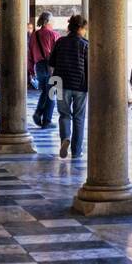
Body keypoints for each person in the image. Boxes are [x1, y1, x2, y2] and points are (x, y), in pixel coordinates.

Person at [49, 15, 88, 159]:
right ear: (80, 28)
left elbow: (51, 62)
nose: (85, 32)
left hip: (60, 83)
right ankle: (76, 151)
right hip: (79, 85)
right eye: (84, 29)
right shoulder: (85, 44)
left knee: (64, 115)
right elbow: (89, 67)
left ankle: (65, 137)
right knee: (79, 117)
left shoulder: (60, 42)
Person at [29, 12, 58, 127]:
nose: (53, 24)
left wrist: (31, 71)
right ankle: (46, 120)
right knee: (52, 93)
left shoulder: (34, 35)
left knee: (45, 91)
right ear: (47, 22)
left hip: (39, 66)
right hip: (51, 66)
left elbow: (30, 54)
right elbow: (57, 54)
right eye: (52, 22)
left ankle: (39, 113)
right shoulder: (53, 35)